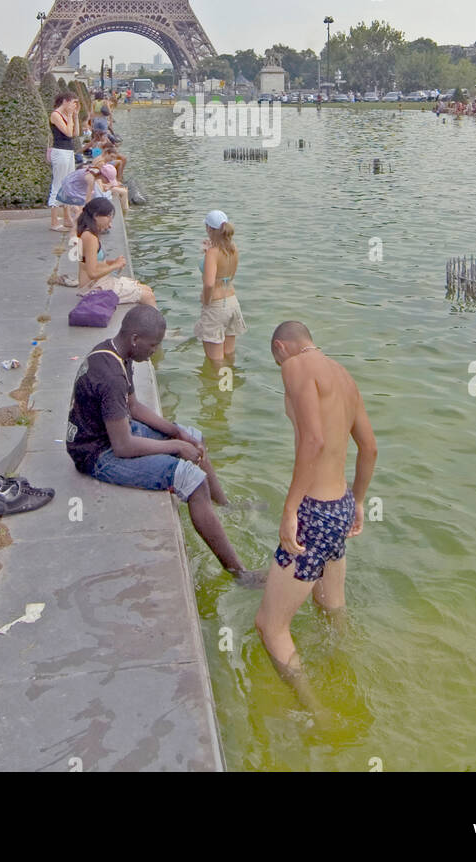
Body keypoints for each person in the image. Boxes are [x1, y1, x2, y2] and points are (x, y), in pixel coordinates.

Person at [66, 305, 262, 583]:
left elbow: (132, 406)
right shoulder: (110, 377)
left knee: (194, 436)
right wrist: (174, 447)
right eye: (154, 345)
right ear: (135, 339)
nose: (155, 352)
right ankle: (239, 573)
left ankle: (224, 506)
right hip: (97, 453)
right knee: (192, 480)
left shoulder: (116, 352)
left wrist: (177, 433)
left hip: (112, 431)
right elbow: (122, 447)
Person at [255, 321, 377, 692]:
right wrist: (357, 500)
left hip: (315, 511)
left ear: (281, 347)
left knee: (270, 626)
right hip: (339, 505)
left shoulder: (295, 367)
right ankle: (345, 674)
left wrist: (291, 509)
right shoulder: (343, 376)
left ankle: (317, 715)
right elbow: (370, 448)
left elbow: (314, 441)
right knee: (330, 606)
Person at [62, 197, 155, 304]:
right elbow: (92, 272)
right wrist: (115, 265)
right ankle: (154, 320)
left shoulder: (86, 233)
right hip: (92, 288)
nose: (110, 224)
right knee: (148, 296)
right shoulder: (90, 237)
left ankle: (147, 319)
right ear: (96, 215)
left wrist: (111, 262)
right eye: (109, 218)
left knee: (145, 288)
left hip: (93, 284)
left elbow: (88, 264)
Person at [194, 209, 247, 366]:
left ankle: (220, 388)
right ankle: (230, 382)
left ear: (209, 229)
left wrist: (206, 299)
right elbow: (229, 275)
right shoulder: (233, 248)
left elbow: (209, 283)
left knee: (215, 360)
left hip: (216, 304)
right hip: (232, 301)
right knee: (228, 354)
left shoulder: (213, 253)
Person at [49, 92, 80, 230]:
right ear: (65, 102)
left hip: (68, 151)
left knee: (68, 184)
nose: (74, 105)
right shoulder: (56, 115)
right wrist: (68, 115)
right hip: (60, 151)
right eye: (73, 102)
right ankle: (54, 221)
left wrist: (75, 116)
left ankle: (67, 217)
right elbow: (67, 132)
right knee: (58, 184)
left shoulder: (69, 115)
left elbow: (75, 134)